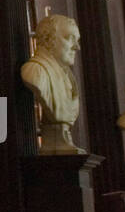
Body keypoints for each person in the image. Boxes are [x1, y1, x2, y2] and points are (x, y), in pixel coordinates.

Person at [20, 14, 84, 154]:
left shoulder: (67, 76)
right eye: (70, 38)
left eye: (77, 40)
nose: (77, 47)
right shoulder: (35, 71)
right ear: (48, 39)